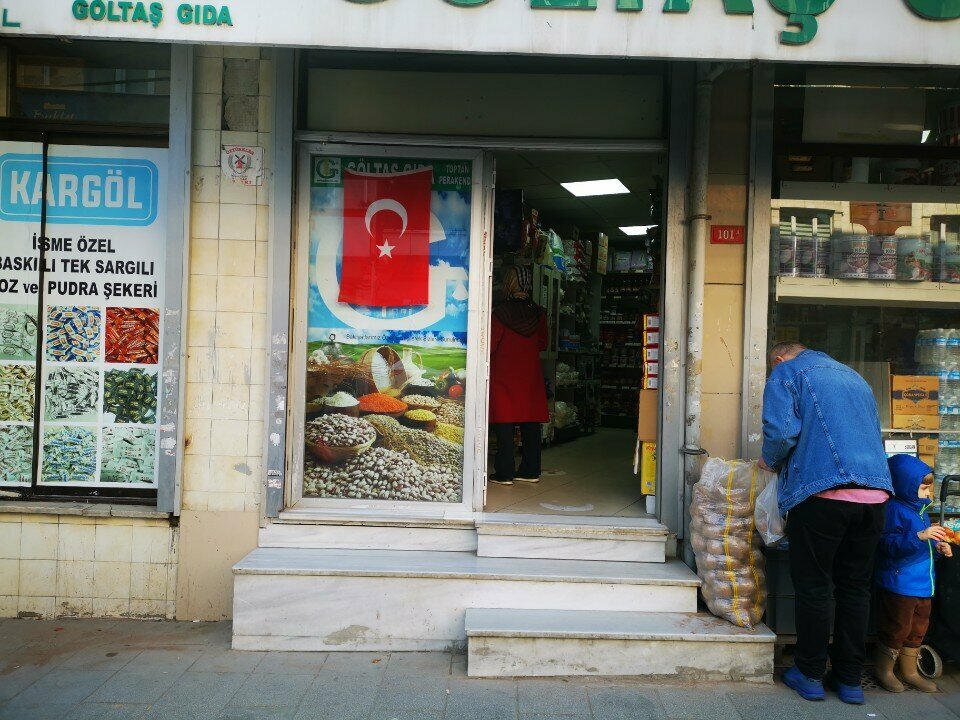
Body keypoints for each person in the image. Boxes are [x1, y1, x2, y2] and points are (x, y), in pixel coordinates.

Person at [759, 342, 893, 705]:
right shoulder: (856, 378)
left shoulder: (789, 372)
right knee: (855, 588)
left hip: (823, 495)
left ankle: (810, 673)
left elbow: (781, 433)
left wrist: (769, 462)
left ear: (778, 358)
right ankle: (850, 680)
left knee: (814, 587)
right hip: (875, 495)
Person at [874, 454, 953, 694]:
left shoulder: (920, 511)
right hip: (900, 583)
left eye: (929, 489)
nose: (928, 494)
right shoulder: (894, 510)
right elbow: (886, 545)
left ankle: (909, 670)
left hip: (922, 584)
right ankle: (884, 669)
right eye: (923, 488)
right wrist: (920, 536)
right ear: (904, 485)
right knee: (897, 626)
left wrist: (939, 548)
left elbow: (923, 548)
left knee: (918, 627)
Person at [488, 265, 548, 485]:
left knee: (505, 420)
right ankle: (531, 470)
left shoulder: (500, 313)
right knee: (530, 421)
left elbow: (491, 345)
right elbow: (543, 343)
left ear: (510, 283)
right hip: (529, 374)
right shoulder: (538, 312)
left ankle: (504, 472)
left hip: (504, 373)